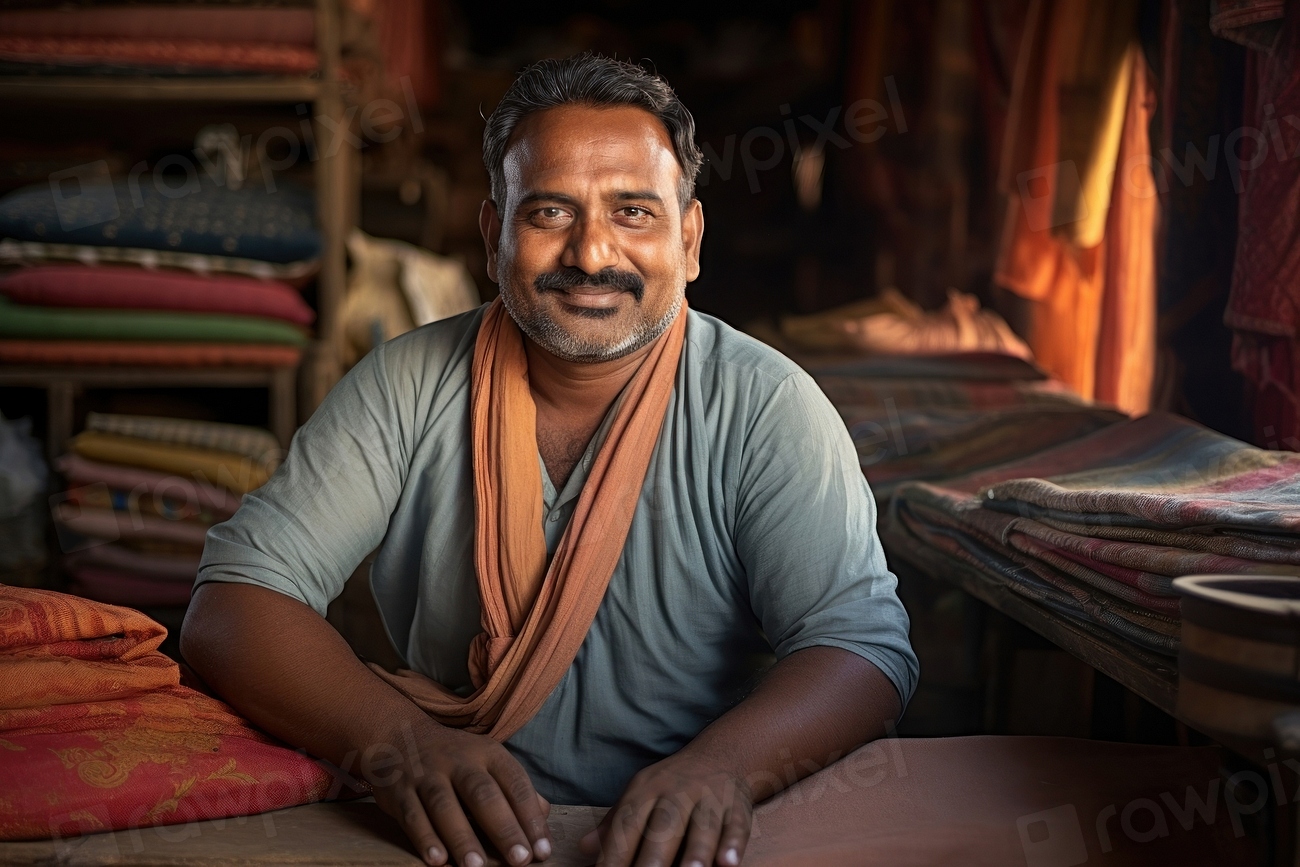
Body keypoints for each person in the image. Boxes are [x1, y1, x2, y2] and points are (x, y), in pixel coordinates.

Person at [181, 53, 917, 867]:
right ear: (494, 234)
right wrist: (401, 746)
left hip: (688, 837)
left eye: (633, 211)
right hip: (443, 820)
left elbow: (859, 649)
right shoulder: (405, 383)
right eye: (550, 213)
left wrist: (719, 774)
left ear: (691, 238)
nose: (592, 252)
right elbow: (235, 604)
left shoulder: (765, 406)